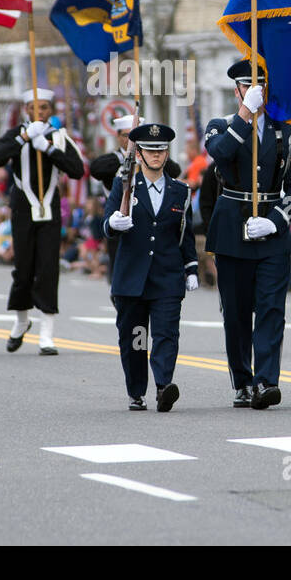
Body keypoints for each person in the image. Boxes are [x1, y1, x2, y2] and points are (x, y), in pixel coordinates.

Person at [203, 60, 291, 410]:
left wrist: (278, 220)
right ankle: (242, 380)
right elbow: (220, 154)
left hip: (272, 233)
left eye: (258, 85)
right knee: (236, 310)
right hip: (232, 227)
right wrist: (246, 114)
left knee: (272, 308)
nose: (253, 90)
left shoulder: (285, 132)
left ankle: (266, 382)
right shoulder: (219, 127)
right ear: (237, 90)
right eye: (246, 86)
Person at [103, 122, 198, 411]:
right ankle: (136, 391)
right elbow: (105, 225)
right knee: (136, 339)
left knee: (167, 333)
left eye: (161, 150)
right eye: (149, 150)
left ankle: (163, 386)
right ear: (139, 154)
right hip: (132, 278)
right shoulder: (124, 186)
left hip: (167, 276)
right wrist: (113, 224)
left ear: (167, 153)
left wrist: (191, 268)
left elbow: (186, 233)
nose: (156, 155)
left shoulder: (180, 191)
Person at [0, 88, 84, 355]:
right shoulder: (16, 134)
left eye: (44, 107)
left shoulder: (58, 136)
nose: (39, 112)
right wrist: (24, 138)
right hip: (22, 209)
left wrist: (49, 148)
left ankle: (47, 333)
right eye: (33, 107)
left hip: (50, 210)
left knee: (48, 268)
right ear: (25, 109)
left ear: (51, 110)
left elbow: (77, 170)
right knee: (23, 268)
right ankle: (21, 320)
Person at [90, 114, 179, 273]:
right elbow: (95, 169)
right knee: (120, 270)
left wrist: (145, 158)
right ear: (118, 137)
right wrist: (127, 161)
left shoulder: (150, 158)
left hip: (146, 217)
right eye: (127, 135)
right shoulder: (112, 159)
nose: (132, 139)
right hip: (119, 216)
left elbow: (174, 170)